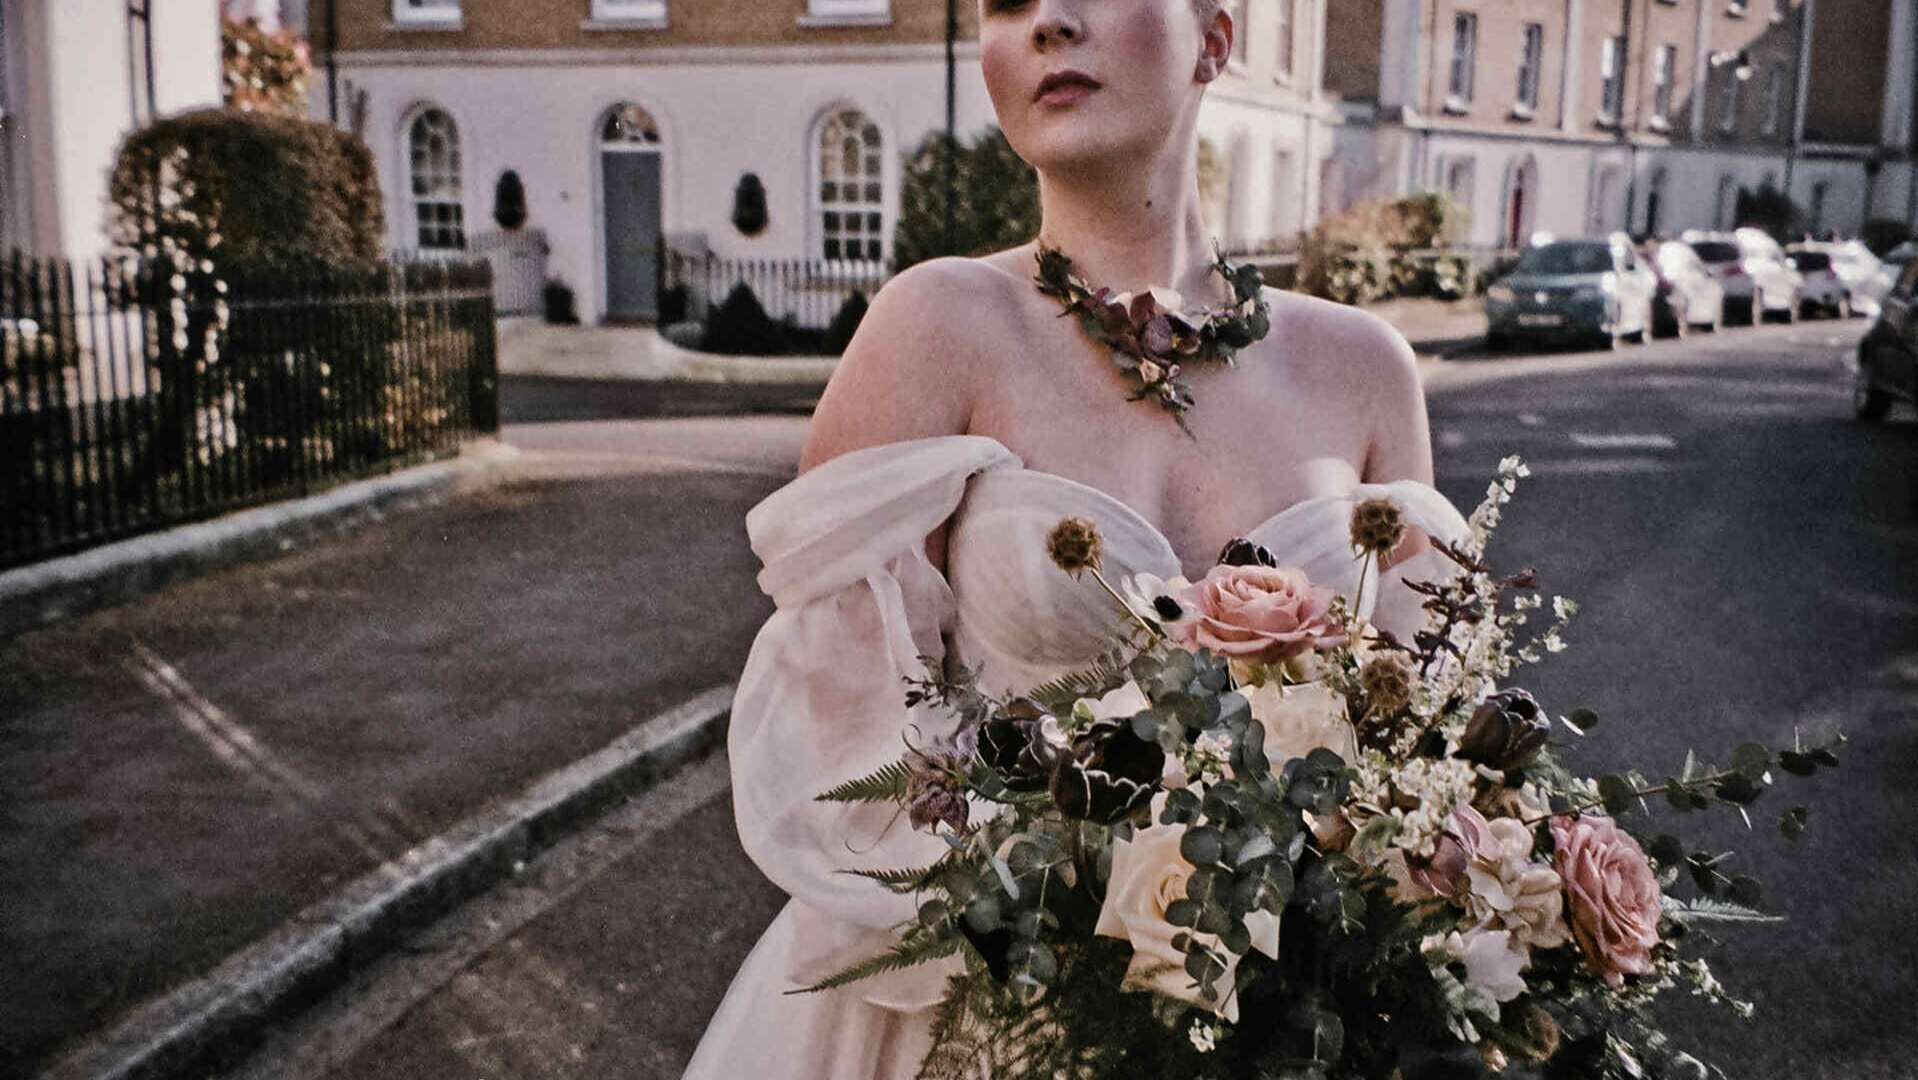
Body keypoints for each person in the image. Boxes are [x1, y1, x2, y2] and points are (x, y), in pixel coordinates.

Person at [683, 1, 1461, 1075]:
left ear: (1217, 40)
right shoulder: (935, 325)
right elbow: (840, 725)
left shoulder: (1365, 367)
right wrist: (1067, 890)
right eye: (1005, 0)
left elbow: (1424, 738)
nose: (1047, 20)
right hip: (990, 1014)